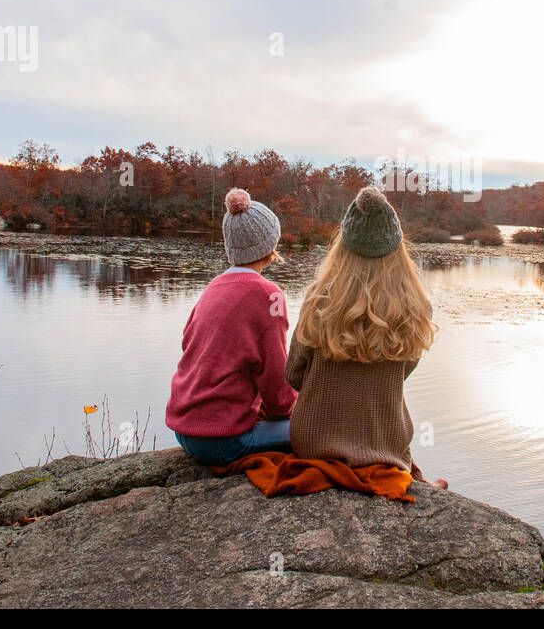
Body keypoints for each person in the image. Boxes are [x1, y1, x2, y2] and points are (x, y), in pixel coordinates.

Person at [285, 185, 447, 489]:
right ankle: (416, 482)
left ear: (343, 248)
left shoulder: (317, 299)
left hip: (313, 443)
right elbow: (402, 374)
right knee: (393, 415)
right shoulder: (414, 306)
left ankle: (414, 479)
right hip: (382, 446)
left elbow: (293, 374)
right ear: (397, 250)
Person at [166, 188, 295, 465]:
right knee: (319, 429)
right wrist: (298, 410)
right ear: (269, 245)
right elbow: (276, 383)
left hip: (184, 430)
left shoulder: (214, 286)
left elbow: (189, 346)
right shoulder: (269, 296)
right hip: (223, 441)